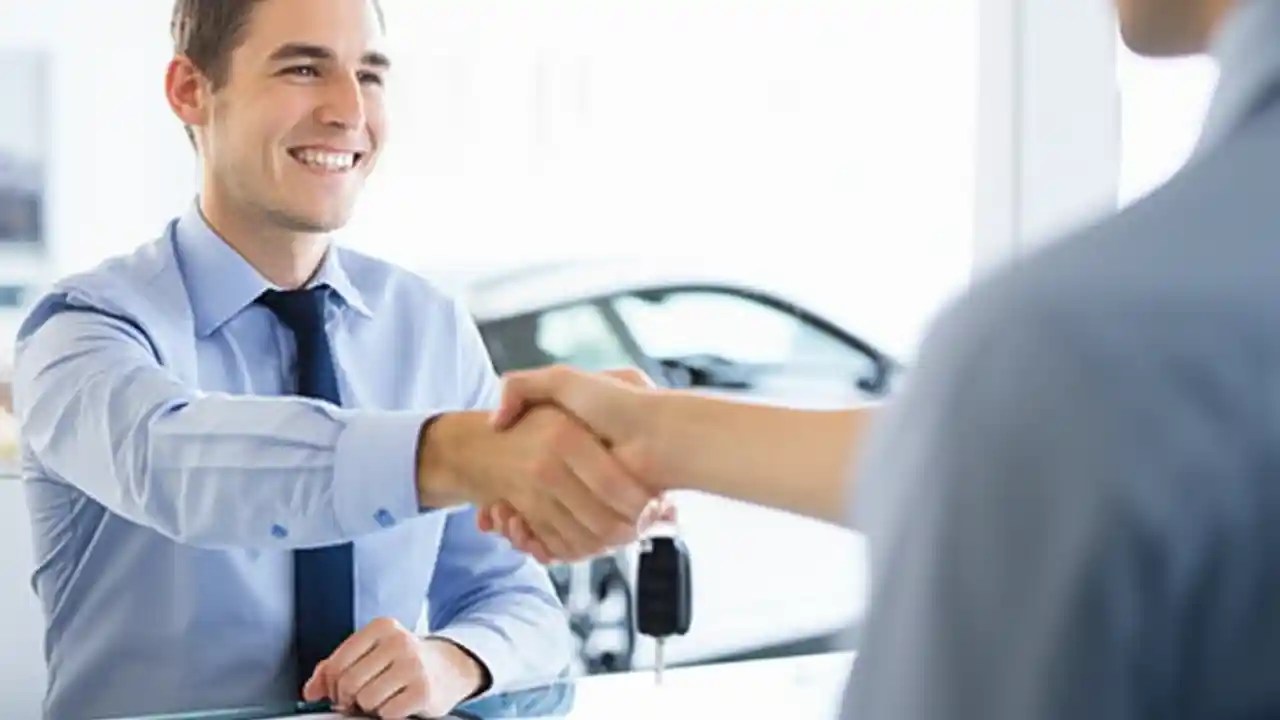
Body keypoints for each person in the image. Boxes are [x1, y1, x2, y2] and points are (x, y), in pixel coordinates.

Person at [480, 0, 1280, 716]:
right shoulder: (1127, 356)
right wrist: (659, 436)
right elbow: (1059, 444)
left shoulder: (1073, 348)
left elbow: (1049, 428)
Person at [9, 1, 667, 718]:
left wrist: (453, 660)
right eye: (303, 69)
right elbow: (179, 466)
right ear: (191, 90)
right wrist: (458, 453)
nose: (349, 111)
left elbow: (522, 608)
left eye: (370, 75)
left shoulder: (429, 328)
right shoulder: (80, 329)